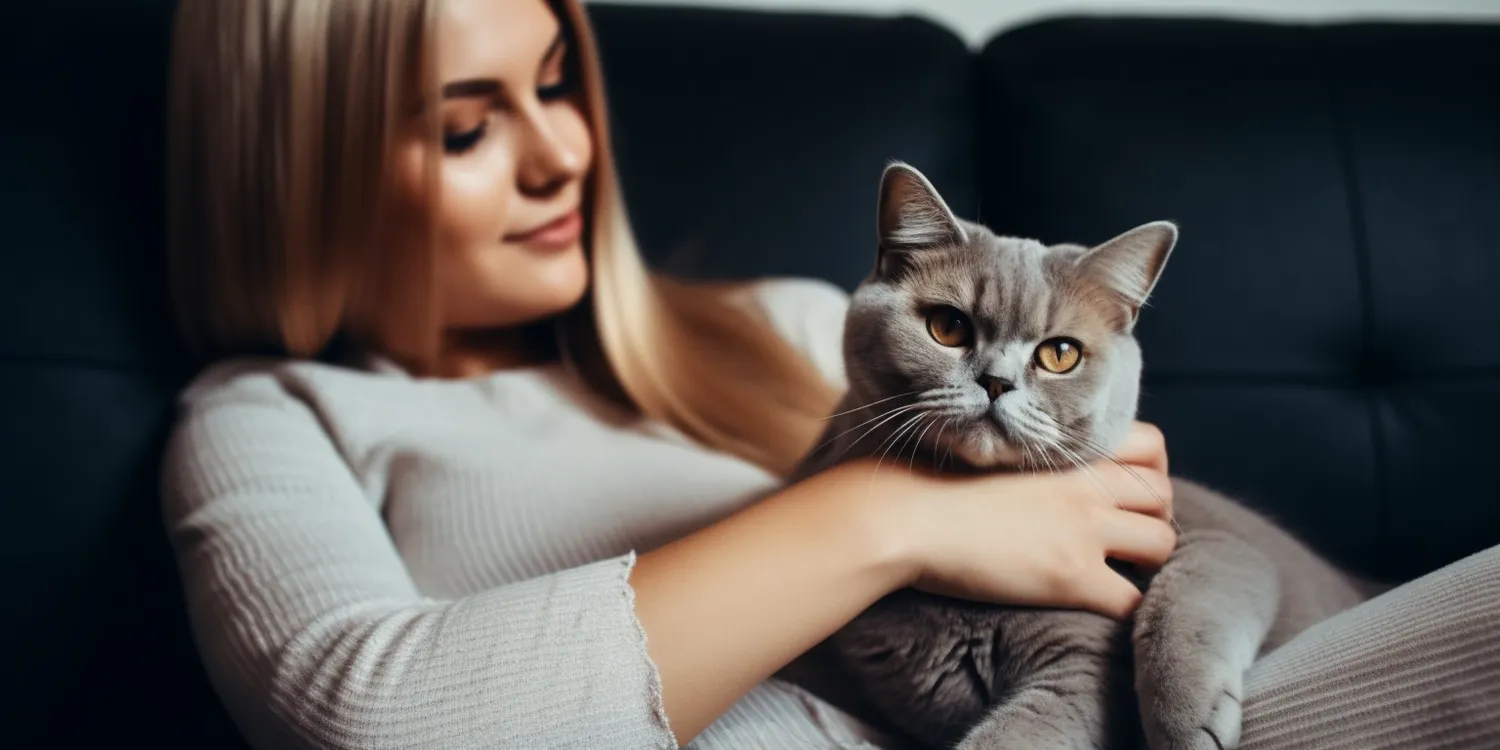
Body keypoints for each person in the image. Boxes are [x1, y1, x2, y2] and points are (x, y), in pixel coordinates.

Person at [160, 1, 1500, 749]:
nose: (559, 155)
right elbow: (368, 717)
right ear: (305, 165)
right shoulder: (275, 416)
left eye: (559, 84)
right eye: (466, 124)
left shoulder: (794, 325)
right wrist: (888, 511)